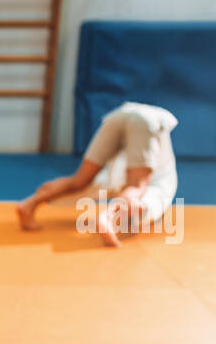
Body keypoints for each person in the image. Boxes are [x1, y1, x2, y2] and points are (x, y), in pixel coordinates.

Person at [16, 101, 179, 247]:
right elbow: (137, 190)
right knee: (135, 187)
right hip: (146, 122)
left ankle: (29, 204)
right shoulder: (164, 188)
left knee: (79, 179)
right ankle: (107, 218)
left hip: (119, 114)